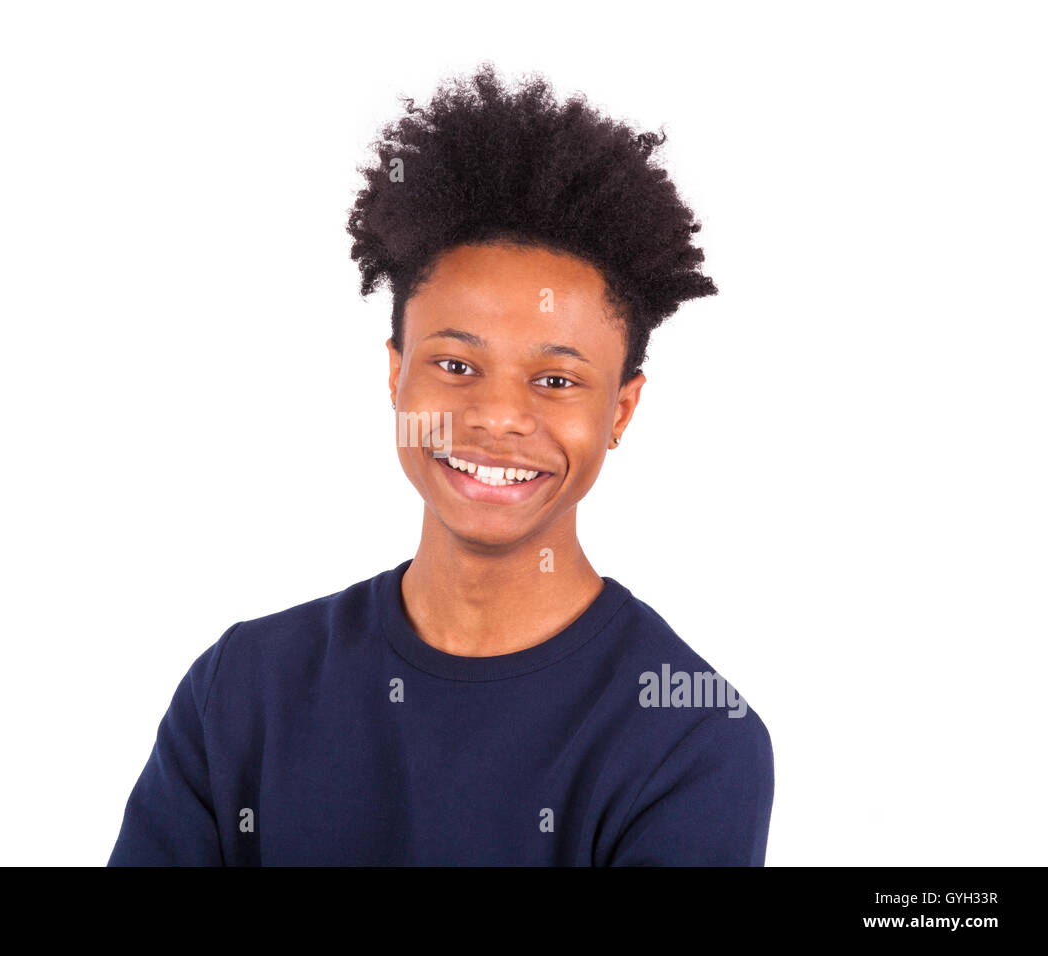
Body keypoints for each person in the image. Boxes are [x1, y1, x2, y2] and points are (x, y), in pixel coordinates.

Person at [108, 62, 774, 866]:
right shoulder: (243, 690)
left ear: (621, 411)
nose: (497, 418)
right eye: (455, 366)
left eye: (556, 380)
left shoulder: (691, 739)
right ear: (396, 375)